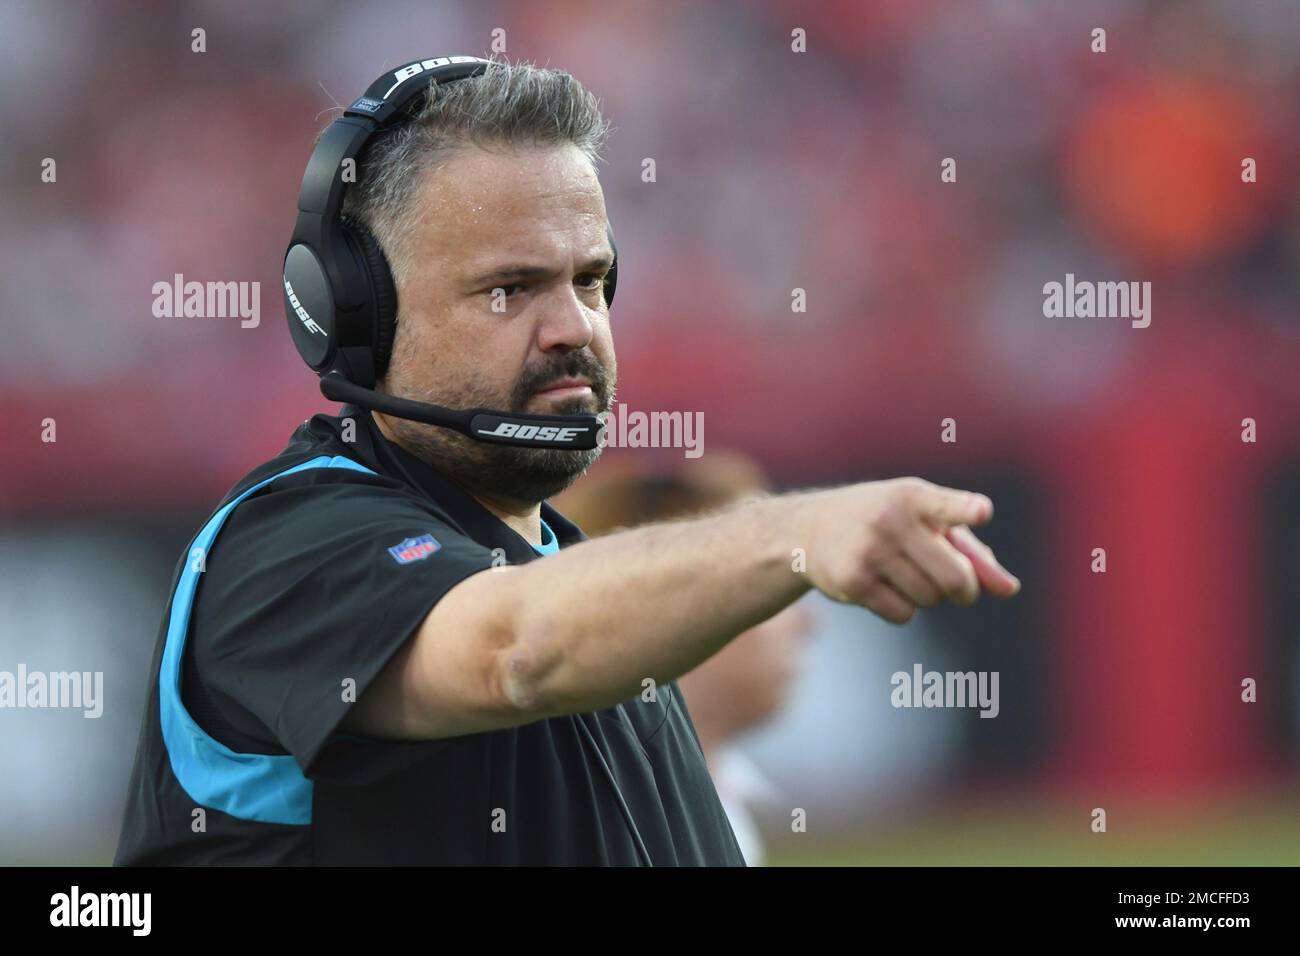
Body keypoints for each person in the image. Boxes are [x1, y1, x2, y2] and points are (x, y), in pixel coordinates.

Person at [114, 55, 1019, 867]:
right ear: (355, 315)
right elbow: (513, 649)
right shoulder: (286, 543)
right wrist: (792, 534)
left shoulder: (573, 595)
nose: (574, 328)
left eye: (590, 280)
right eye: (509, 289)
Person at [553, 451, 815, 865]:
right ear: (676, 607)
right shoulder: (582, 818)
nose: (806, 625)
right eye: (771, 589)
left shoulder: (713, 794)